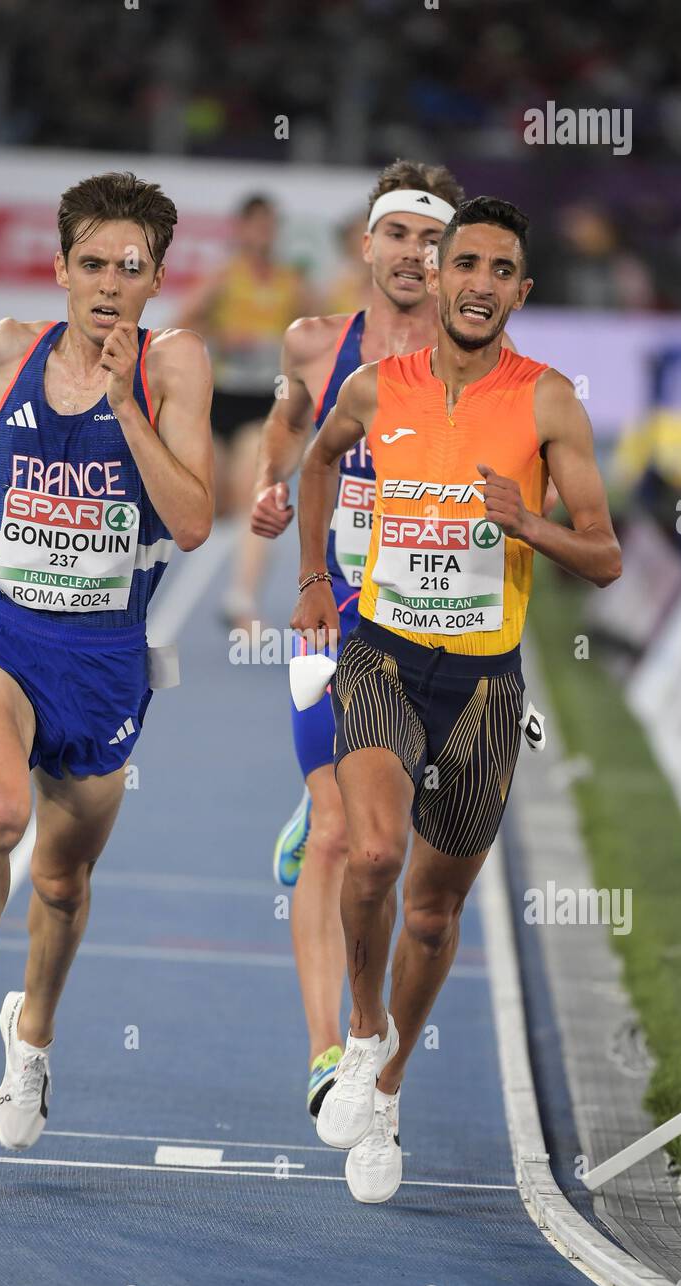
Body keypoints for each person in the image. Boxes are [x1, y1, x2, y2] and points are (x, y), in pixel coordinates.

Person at [290, 196, 621, 1203]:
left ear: (521, 291)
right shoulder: (369, 385)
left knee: (432, 911)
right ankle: (357, 1033)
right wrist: (311, 575)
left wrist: (528, 525)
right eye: (461, 262)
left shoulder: (549, 401)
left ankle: (386, 1089)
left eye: (498, 269)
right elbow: (313, 464)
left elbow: (602, 555)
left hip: (482, 686)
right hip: (381, 658)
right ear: (434, 278)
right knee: (371, 850)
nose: (476, 281)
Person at [0, 171, 214, 1150]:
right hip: (2, 635)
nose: (109, 283)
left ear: (157, 279)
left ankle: (28, 1037)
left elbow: (196, 521)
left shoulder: (175, 367)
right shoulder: (8, 348)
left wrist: (126, 407)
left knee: (62, 882)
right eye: (92, 264)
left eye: (131, 267)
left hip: (107, 660)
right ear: (60, 268)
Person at [252, 160, 467, 1119]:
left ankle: (323, 807)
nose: (415, 255)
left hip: (428, 615)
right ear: (366, 246)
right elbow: (288, 425)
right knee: (340, 835)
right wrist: (268, 482)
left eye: (435, 241)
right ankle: (325, 1050)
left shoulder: (479, 358)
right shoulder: (314, 342)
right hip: (331, 607)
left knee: (396, 845)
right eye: (399, 237)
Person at [179, 194, 315, 627]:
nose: (263, 234)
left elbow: (319, 334)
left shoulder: (291, 283)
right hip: (219, 400)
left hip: (264, 401)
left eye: (269, 225)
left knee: (256, 494)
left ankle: (241, 599)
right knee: (213, 503)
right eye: (255, 225)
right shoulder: (223, 277)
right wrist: (221, 334)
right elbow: (183, 321)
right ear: (240, 230)